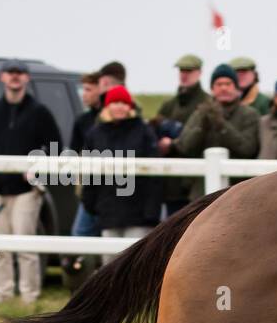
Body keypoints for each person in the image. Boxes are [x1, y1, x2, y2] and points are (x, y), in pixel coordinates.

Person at [0, 59, 62, 305]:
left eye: (20, 73)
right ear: (2, 77)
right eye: (11, 72)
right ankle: (3, 294)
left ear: (27, 78)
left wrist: (37, 170)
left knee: (26, 245)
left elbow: (55, 146)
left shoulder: (40, 112)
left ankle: (29, 297)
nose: (15, 77)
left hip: (26, 190)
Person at [80, 85, 160, 265]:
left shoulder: (144, 131)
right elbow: (89, 172)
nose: (119, 107)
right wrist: (90, 203)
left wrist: (151, 210)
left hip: (138, 212)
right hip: (108, 210)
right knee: (109, 264)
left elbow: (155, 174)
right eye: (115, 102)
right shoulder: (96, 134)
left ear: (130, 106)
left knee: (136, 263)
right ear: (107, 106)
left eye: (124, 103)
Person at [174, 64, 260, 167]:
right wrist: (202, 125)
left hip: (238, 179)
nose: (223, 88)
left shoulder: (249, 114)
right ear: (212, 89)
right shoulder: (200, 112)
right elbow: (184, 147)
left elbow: (248, 150)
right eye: (219, 84)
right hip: (201, 178)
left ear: (236, 88)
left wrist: (222, 125)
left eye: (228, 84)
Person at [155, 53, 210, 214]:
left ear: (199, 73)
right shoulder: (168, 105)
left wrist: (175, 142)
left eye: (189, 70)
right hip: (170, 182)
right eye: (181, 71)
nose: (184, 75)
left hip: (194, 182)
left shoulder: (207, 104)